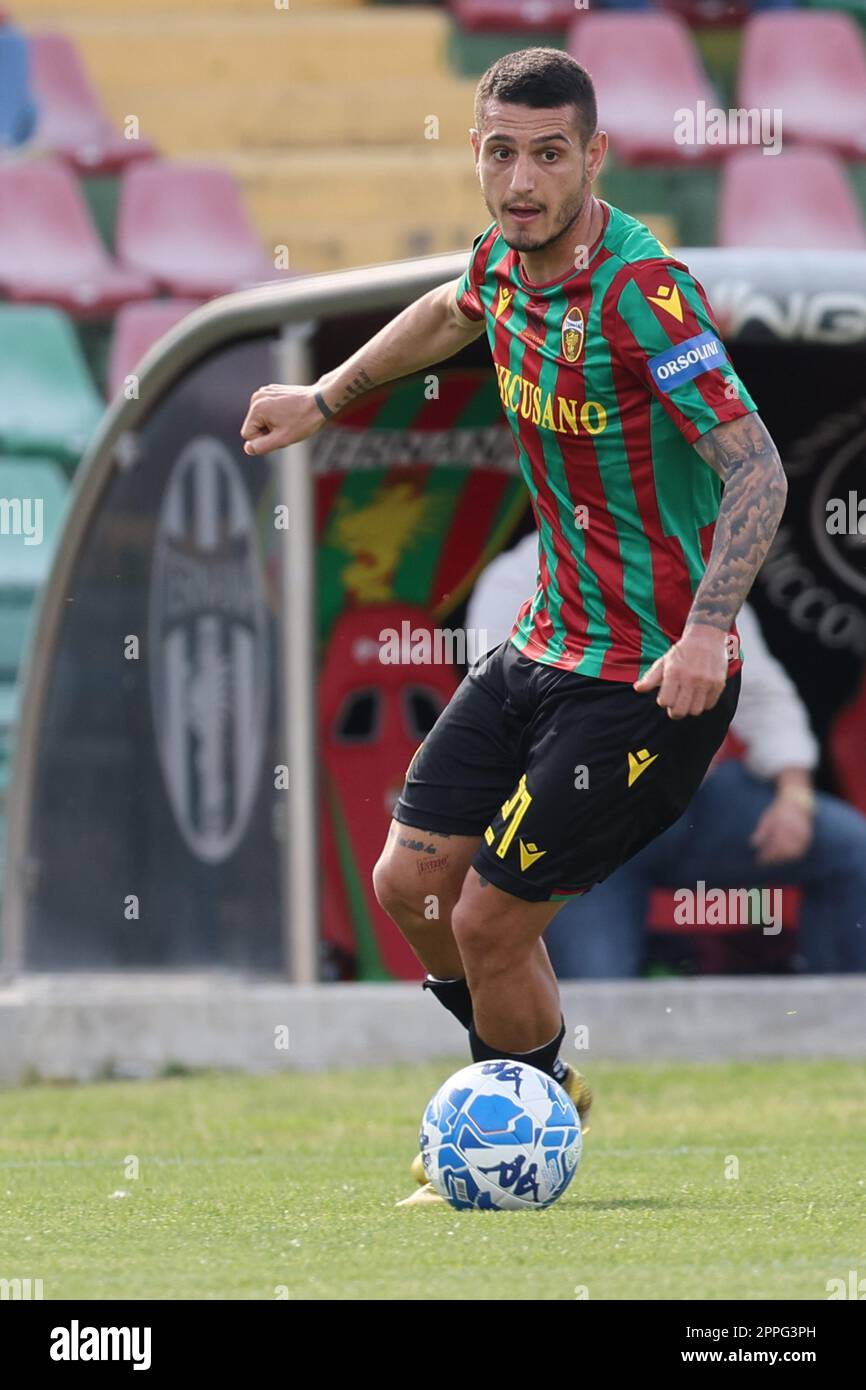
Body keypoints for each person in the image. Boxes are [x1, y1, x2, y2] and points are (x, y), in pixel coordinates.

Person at [240, 48, 788, 1205]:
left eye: (548, 153)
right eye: (500, 152)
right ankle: (542, 1080)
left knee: (488, 918)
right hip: (544, 645)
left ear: (593, 155)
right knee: (409, 884)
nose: (522, 178)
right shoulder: (501, 263)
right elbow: (449, 310)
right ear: (477, 157)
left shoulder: (644, 297)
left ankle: (502, 1128)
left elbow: (759, 472)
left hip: (647, 679)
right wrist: (323, 399)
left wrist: (704, 630)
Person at [469, 536, 866, 976]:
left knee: (851, 848)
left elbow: (763, 697)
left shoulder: (697, 577)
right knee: (598, 991)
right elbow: (501, 722)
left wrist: (795, 796)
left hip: (695, 804)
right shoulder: (514, 583)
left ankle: (841, 1026)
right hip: (580, 825)